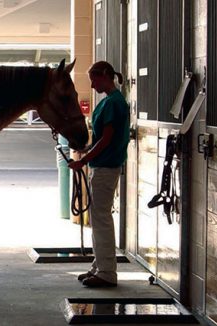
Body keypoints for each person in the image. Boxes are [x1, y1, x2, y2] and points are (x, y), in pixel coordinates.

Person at [68, 61, 130, 288]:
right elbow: (102, 139)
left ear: (105, 76)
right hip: (102, 165)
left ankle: (106, 272)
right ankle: (99, 266)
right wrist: (86, 151)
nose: (92, 85)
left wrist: (84, 160)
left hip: (105, 167)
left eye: (94, 80)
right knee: (98, 218)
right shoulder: (111, 102)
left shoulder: (113, 103)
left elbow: (107, 139)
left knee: (101, 219)